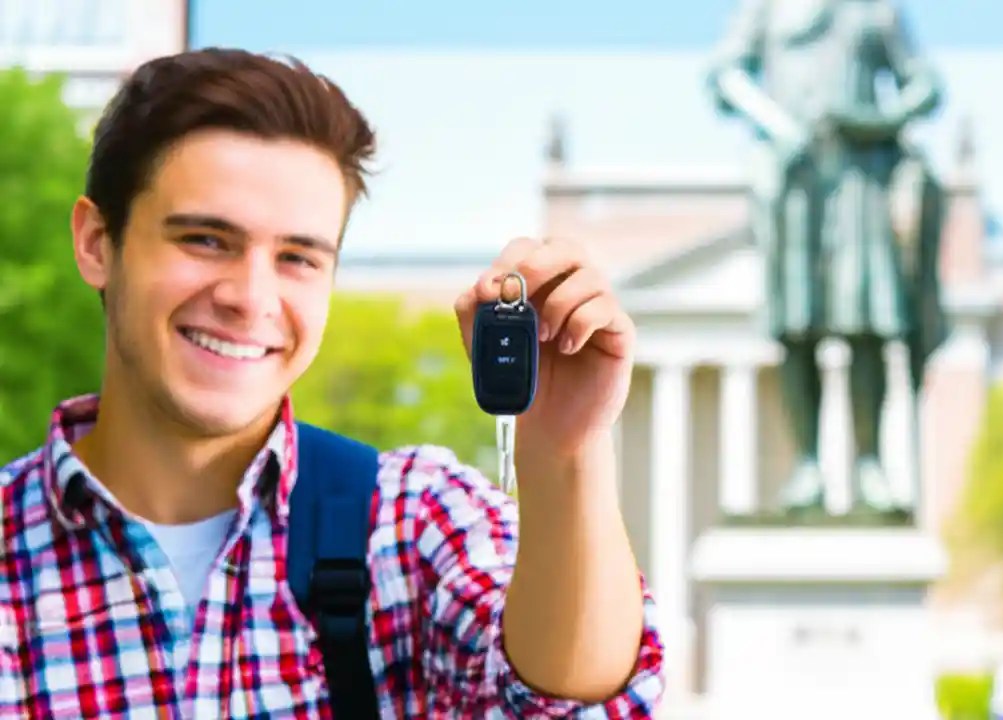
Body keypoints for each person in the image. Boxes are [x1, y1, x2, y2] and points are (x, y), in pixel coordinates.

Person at [0, 48, 664, 717]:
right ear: (95, 243)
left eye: (297, 257)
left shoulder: (410, 523)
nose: (250, 296)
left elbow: (571, 703)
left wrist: (565, 449)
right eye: (205, 240)